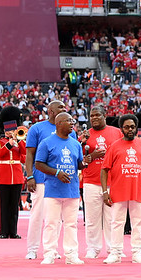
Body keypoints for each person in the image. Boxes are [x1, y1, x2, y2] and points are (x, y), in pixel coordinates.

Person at [101, 113, 141, 264]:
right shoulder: (114, 146)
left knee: (138, 222)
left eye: (132, 127)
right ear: (121, 129)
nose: (130, 129)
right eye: (126, 127)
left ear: (136, 128)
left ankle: (137, 252)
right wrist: (105, 191)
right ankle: (115, 252)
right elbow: (104, 169)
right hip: (118, 190)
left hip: (138, 189)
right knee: (117, 222)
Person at [34, 111, 85, 265]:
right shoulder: (47, 142)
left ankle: (71, 254)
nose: (72, 124)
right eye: (68, 121)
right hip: (53, 190)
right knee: (51, 223)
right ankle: (49, 253)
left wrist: (90, 158)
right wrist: (56, 172)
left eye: (72, 121)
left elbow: (80, 164)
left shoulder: (76, 143)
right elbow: (38, 164)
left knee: (71, 224)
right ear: (58, 123)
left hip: (72, 189)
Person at [24, 100, 68, 260]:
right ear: (50, 111)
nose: (64, 109)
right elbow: (29, 154)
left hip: (60, 179)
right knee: (37, 214)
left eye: (65, 107)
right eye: (60, 107)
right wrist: (29, 176)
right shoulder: (36, 128)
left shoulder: (69, 129)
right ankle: (32, 249)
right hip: (41, 179)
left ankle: (52, 248)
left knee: (57, 218)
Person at [80, 106, 121, 260]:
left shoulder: (116, 132)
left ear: (105, 115)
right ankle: (93, 248)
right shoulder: (85, 135)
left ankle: (113, 248)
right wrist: (92, 154)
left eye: (97, 115)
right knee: (91, 218)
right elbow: (80, 159)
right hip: (91, 180)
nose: (94, 118)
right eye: (92, 116)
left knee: (112, 217)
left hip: (112, 181)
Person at [0, 106, 26, 239]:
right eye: (8, 130)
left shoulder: (19, 143)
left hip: (16, 177)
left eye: (12, 130)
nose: (10, 132)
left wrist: (18, 143)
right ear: (4, 130)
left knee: (14, 206)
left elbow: (24, 156)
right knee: (4, 205)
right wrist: (8, 145)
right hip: (3, 176)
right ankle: (4, 231)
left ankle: (13, 231)